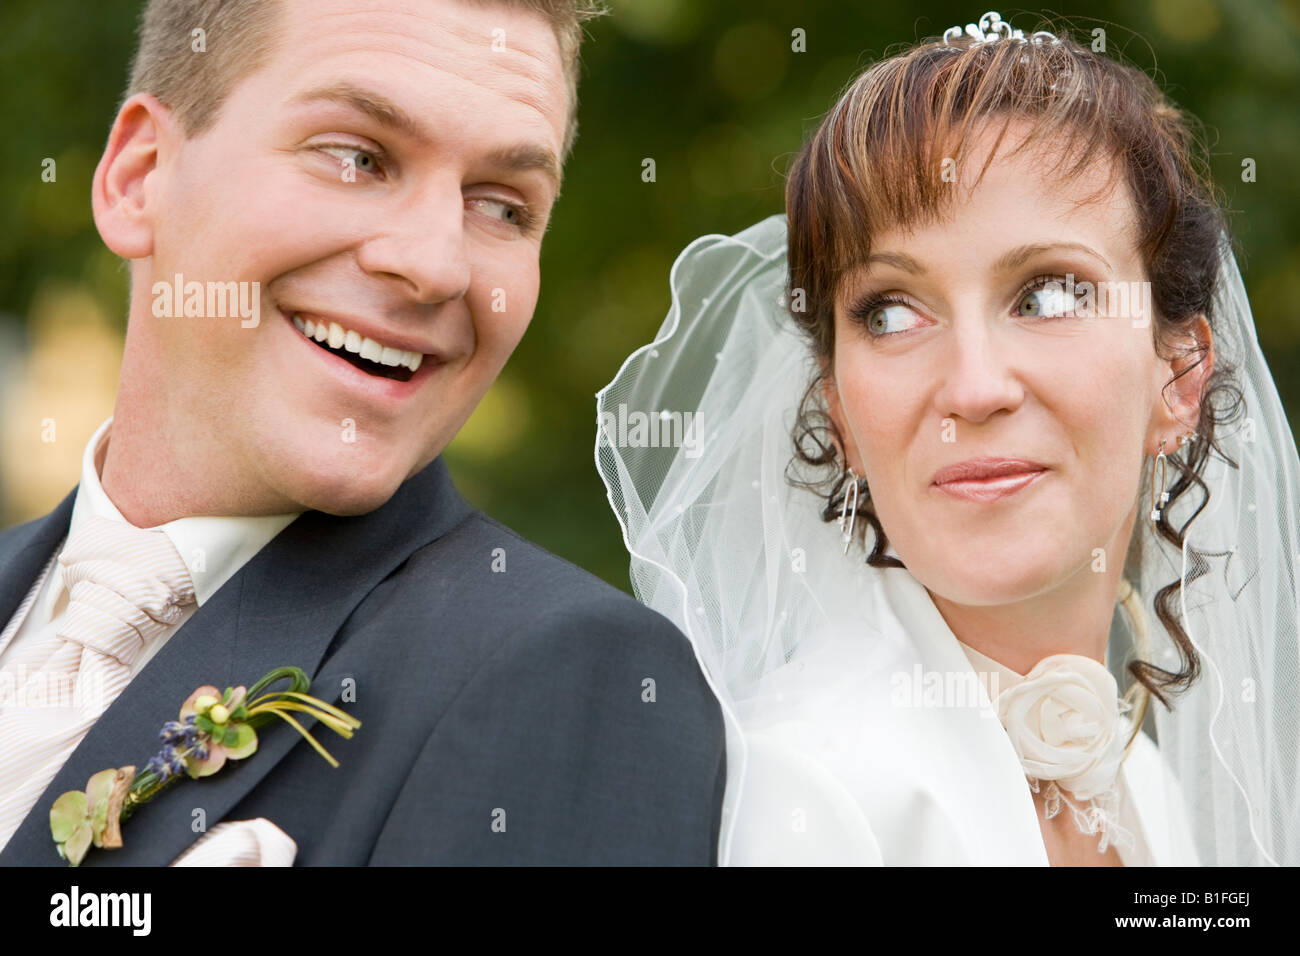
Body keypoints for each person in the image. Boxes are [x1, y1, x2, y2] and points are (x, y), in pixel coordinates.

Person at [0, 0, 726, 866]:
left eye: (502, 207)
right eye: (357, 157)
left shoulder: (571, 680)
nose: (435, 264)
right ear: (141, 178)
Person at [597, 11, 1299, 865]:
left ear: (1180, 378)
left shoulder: (1139, 780)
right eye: (890, 312)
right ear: (841, 413)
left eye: (1046, 295)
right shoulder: (808, 789)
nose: (972, 387)